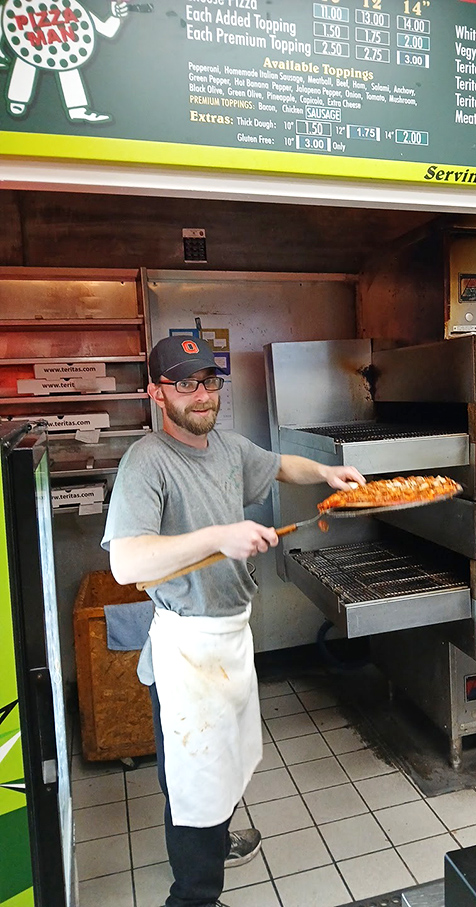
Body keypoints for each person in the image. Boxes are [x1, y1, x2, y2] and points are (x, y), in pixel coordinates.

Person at [102, 336, 365, 907]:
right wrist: (220, 537)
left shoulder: (225, 448)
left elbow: (279, 465)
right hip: (187, 648)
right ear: (155, 393)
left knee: (223, 761)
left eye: (209, 382)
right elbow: (127, 562)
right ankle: (193, 897)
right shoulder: (147, 461)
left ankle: (217, 843)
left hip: (230, 639)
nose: (202, 395)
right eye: (184, 384)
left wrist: (326, 471)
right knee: (193, 778)